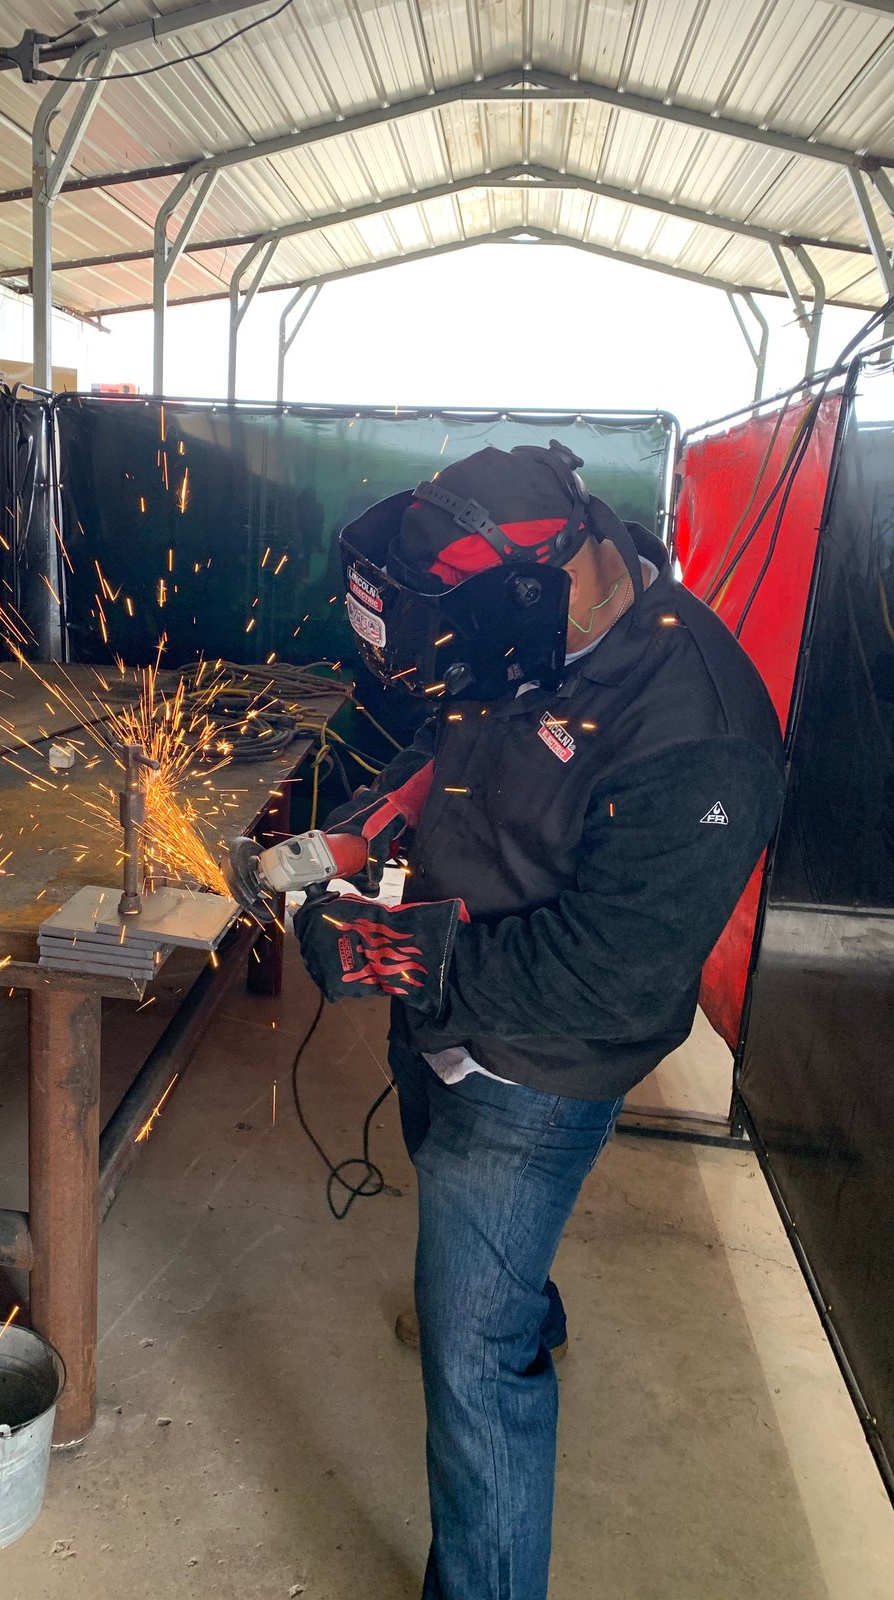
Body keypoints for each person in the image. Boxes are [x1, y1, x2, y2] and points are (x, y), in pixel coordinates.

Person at [294, 442, 785, 1600]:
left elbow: (612, 975)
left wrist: (398, 955)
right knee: (457, 1204)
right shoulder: (513, 634)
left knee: (472, 1355)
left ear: (554, 571)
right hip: (443, 1007)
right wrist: (363, 833)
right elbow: (445, 753)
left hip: (541, 1064)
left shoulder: (700, 729)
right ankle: (533, 1302)